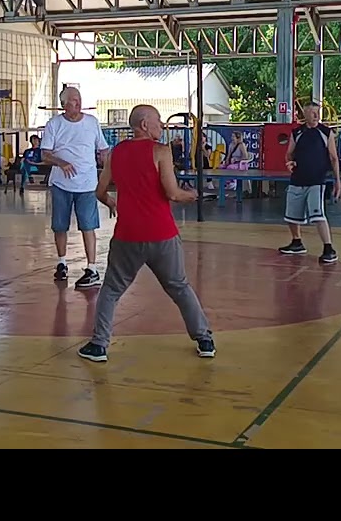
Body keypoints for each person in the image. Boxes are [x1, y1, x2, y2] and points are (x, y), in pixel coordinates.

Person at [77, 105, 214, 363]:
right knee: (179, 287)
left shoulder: (116, 154)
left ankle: (99, 344)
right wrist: (193, 195)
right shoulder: (161, 152)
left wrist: (112, 203)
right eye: (158, 121)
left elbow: (100, 191)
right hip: (161, 233)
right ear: (143, 124)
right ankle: (204, 339)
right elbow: (172, 193)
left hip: (127, 235)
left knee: (111, 289)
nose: (161, 126)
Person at [40, 87, 109, 288]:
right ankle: (61, 262)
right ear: (63, 104)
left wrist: (108, 171)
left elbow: (103, 149)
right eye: (72, 100)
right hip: (61, 184)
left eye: (78, 99)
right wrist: (61, 163)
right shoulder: (54, 124)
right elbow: (45, 154)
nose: (77, 103)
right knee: (60, 225)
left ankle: (92, 267)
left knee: (88, 225)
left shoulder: (91, 122)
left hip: (87, 184)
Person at [279, 102, 341, 264]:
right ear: (304, 114)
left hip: (317, 180)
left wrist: (337, 180)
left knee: (318, 214)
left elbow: (334, 158)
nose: (316, 115)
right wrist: (290, 162)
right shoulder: (297, 132)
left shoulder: (326, 132)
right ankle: (297, 242)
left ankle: (329, 248)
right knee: (291, 214)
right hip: (297, 179)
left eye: (317, 112)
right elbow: (289, 154)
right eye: (312, 112)